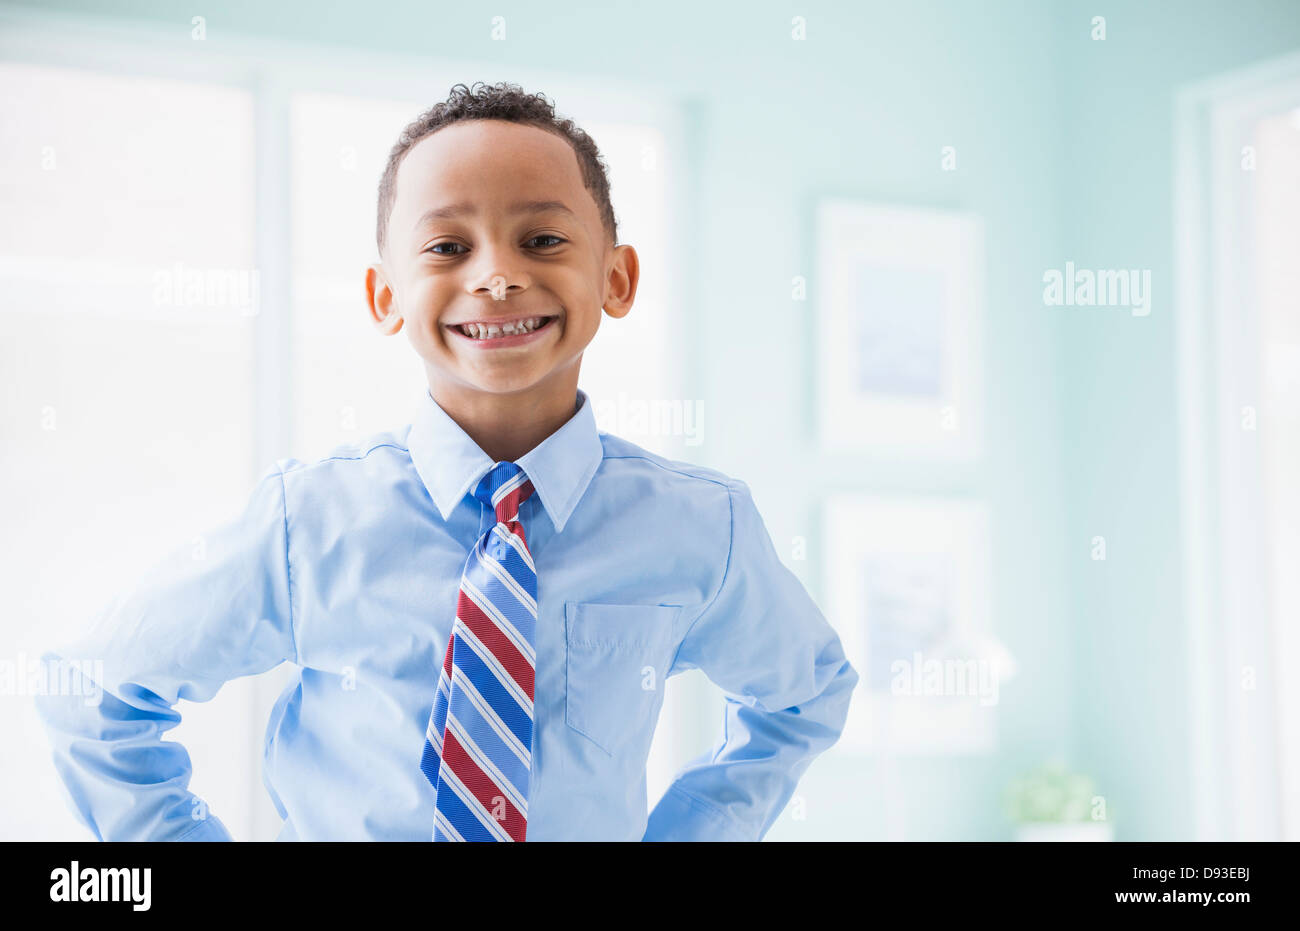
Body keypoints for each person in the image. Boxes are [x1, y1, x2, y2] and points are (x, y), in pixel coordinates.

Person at [34, 81, 858, 841]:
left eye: (542, 238)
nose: (498, 276)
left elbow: (805, 692)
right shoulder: (307, 522)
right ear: (384, 295)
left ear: (617, 276)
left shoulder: (697, 527)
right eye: (446, 247)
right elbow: (94, 694)